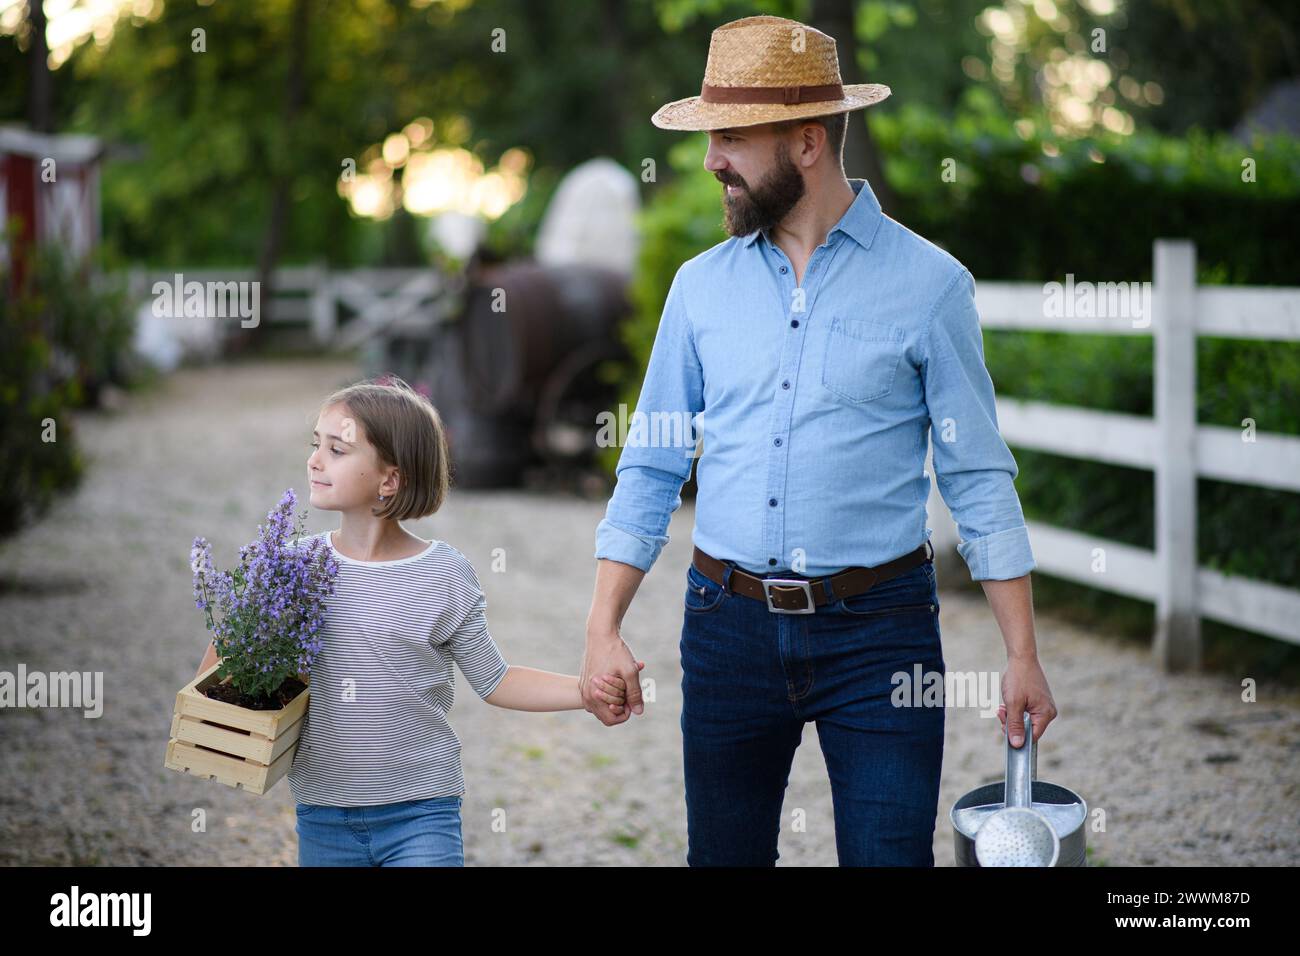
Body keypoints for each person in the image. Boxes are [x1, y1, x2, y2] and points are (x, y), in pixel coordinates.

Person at [580, 14, 1057, 866]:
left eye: (730, 137)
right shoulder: (698, 290)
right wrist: (602, 627)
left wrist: (1021, 655)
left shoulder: (931, 286)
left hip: (883, 635)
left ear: (806, 142)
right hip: (725, 628)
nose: (710, 159)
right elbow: (651, 461)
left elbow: (978, 477)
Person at [195, 375, 637, 866]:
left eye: (338, 450)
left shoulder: (443, 574)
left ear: (390, 479)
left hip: (421, 813)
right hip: (323, 813)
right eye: (315, 444)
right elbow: (222, 668)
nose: (315, 460)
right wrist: (227, 666)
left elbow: (496, 680)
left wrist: (584, 691)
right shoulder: (294, 569)